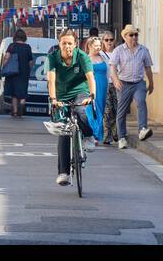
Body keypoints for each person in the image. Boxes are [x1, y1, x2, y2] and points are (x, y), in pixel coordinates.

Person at [47, 29, 96, 186]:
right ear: (59, 44)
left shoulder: (82, 56)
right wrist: (54, 99)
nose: (67, 46)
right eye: (64, 43)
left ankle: (88, 136)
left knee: (81, 111)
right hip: (61, 95)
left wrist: (92, 96)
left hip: (80, 91)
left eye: (70, 43)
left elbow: (90, 77)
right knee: (64, 130)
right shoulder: (53, 58)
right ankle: (64, 173)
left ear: (75, 44)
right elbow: (51, 81)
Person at [110, 24, 155, 149]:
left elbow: (148, 68)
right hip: (124, 83)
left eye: (136, 34)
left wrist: (151, 83)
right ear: (125, 37)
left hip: (138, 83)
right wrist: (115, 80)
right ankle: (122, 137)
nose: (134, 37)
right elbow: (112, 66)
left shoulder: (143, 50)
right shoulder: (118, 50)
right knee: (122, 110)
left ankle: (142, 129)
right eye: (131, 35)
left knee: (141, 102)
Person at [1, 28, 34, 118]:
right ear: (24, 37)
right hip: (24, 72)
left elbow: (7, 57)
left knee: (14, 93)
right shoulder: (27, 47)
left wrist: (4, 66)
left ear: (15, 37)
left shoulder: (12, 46)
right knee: (23, 90)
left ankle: (15, 111)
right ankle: (22, 103)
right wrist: (29, 68)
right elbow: (31, 62)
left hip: (13, 72)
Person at [83, 36, 108, 149]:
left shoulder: (104, 57)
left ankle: (97, 134)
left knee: (101, 109)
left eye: (99, 45)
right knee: (92, 109)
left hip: (103, 85)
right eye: (96, 46)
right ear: (89, 46)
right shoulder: (86, 59)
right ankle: (94, 135)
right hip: (91, 86)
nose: (98, 48)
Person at [97, 32, 118, 145]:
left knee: (117, 109)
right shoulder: (100, 54)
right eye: (106, 40)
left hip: (118, 84)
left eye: (111, 39)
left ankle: (115, 132)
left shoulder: (118, 52)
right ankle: (107, 136)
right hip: (106, 84)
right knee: (107, 110)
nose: (109, 42)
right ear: (103, 42)